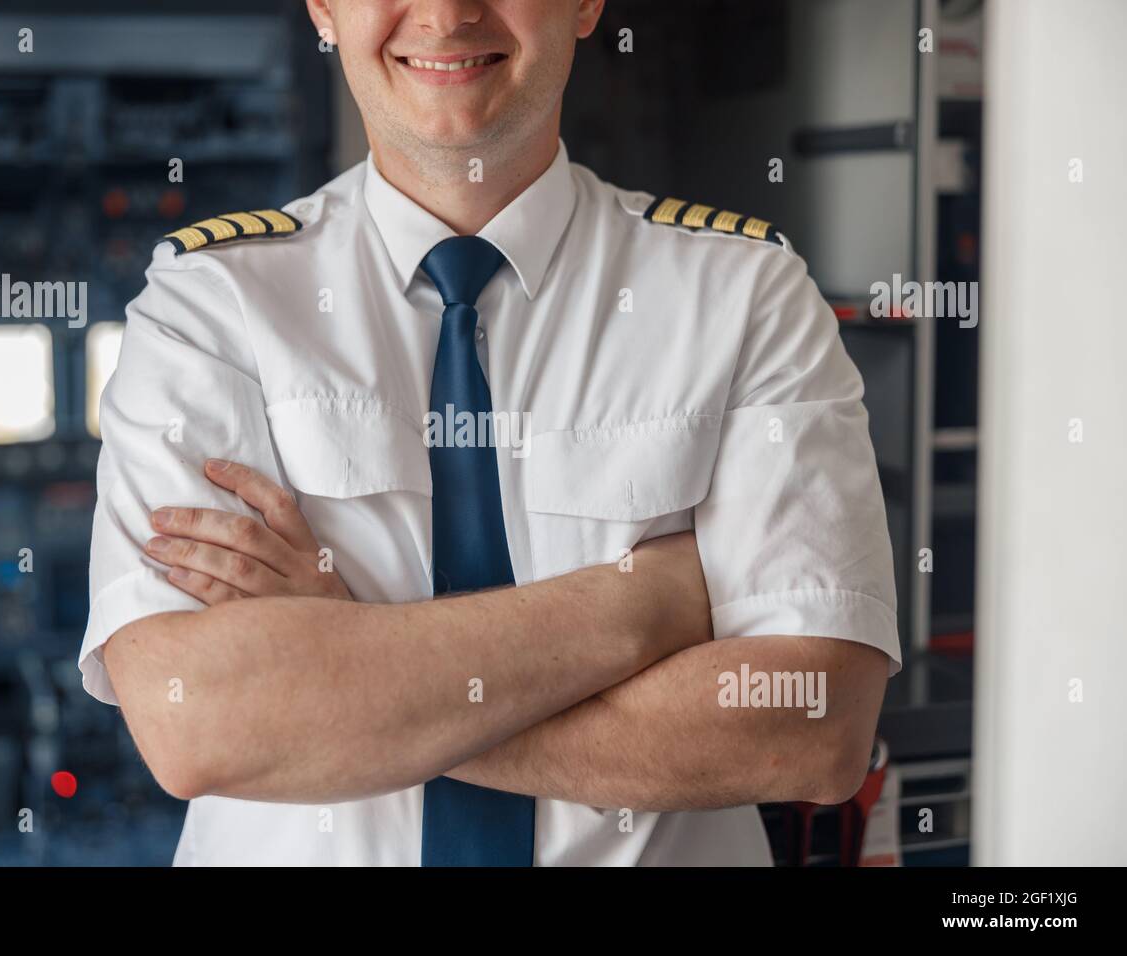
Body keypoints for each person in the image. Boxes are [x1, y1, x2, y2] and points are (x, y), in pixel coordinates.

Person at [78, 0, 901, 866]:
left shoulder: (746, 295)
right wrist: (643, 605)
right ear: (323, 7)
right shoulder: (207, 306)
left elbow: (813, 728)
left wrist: (348, 681)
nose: (446, 14)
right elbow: (194, 723)